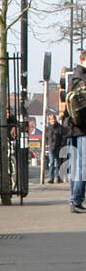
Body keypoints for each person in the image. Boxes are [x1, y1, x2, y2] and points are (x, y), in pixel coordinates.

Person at [62, 50, 86, 212]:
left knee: (76, 165)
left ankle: (74, 198)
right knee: (82, 166)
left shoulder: (73, 77)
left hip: (71, 126)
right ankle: (76, 200)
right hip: (82, 127)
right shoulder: (82, 77)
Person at [46, 112, 63, 184]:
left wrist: (61, 144)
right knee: (52, 162)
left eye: (54, 119)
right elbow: (46, 137)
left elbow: (62, 136)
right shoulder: (48, 128)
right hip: (51, 147)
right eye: (51, 119)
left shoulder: (59, 127)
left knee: (58, 163)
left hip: (58, 146)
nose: (53, 120)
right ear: (49, 120)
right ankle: (51, 178)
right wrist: (47, 144)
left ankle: (58, 177)